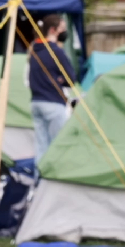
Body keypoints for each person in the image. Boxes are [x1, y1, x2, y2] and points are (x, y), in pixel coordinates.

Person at [26, 13, 79, 157]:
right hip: (53, 103)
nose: (64, 32)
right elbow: (71, 79)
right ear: (53, 30)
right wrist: (60, 80)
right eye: (62, 28)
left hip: (36, 102)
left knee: (41, 145)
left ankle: (40, 170)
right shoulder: (56, 51)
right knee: (58, 144)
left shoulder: (34, 50)